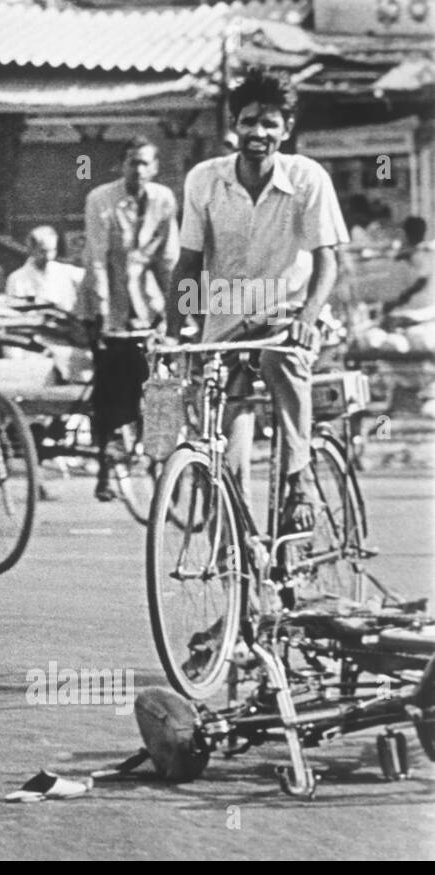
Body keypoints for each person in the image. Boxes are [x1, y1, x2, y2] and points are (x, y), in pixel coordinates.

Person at [167, 68, 349, 534]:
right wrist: (175, 333)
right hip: (225, 316)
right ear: (235, 126)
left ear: (286, 130)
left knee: (278, 359)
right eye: (249, 122)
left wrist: (308, 318)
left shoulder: (307, 177)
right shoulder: (204, 180)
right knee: (223, 426)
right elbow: (189, 264)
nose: (258, 133)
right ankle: (236, 548)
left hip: (287, 314)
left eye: (270, 124)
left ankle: (299, 478)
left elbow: (328, 261)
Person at [83, 136, 180, 501]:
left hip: (148, 302)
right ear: (121, 166)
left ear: (154, 168)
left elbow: (168, 258)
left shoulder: (164, 200)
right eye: (131, 163)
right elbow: (96, 258)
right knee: (110, 387)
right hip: (107, 301)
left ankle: (163, 462)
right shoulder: (101, 200)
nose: (137, 170)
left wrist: (177, 311)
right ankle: (106, 466)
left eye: (144, 163)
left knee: (160, 384)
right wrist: (104, 312)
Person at [4, 226, 84, 315]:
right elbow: (12, 313)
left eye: (53, 250)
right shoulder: (16, 279)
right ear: (31, 249)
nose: (49, 256)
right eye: (43, 251)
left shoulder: (68, 272)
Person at [386, 216, 435, 326]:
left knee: (387, 317)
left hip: (421, 305)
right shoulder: (425, 250)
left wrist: (401, 299)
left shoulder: (421, 253)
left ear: (406, 233)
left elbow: (422, 281)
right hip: (428, 302)